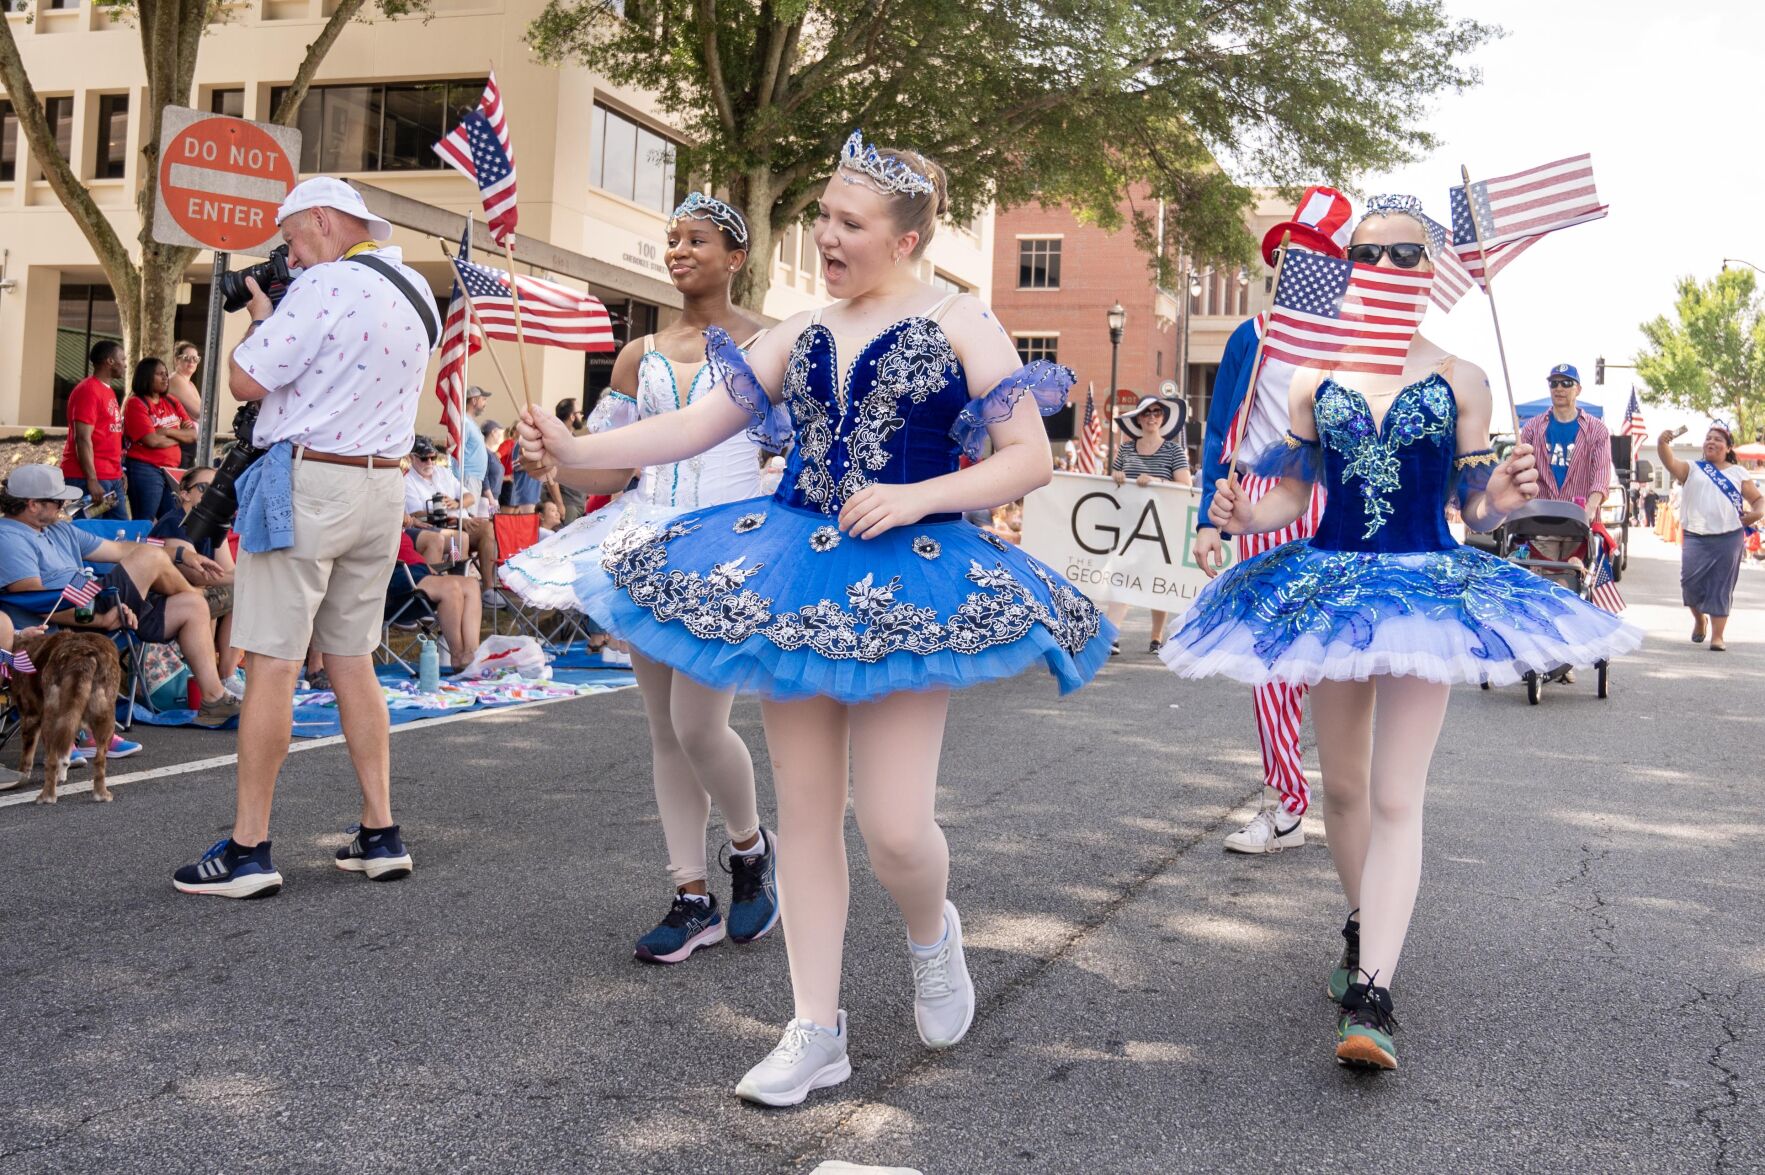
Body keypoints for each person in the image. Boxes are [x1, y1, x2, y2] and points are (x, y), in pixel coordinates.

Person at [518, 135, 1112, 1105]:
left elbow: (1026, 458)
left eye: (849, 222)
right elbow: (693, 424)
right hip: (795, 568)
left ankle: (931, 932)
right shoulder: (799, 329)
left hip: (913, 578)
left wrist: (924, 496)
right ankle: (814, 1028)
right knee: (804, 814)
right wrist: (581, 446)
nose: (827, 235)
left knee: (892, 828)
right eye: (824, 218)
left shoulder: (963, 318)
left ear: (908, 234)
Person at [1162, 195, 1641, 1072]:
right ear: (1348, 270)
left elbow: (1470, 507)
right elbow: (1286, 496)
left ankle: (1373, 994)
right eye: (1368, 256)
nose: (1383, 270)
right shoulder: (1314, 381)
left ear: (1429, 273)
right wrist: (1236, 510)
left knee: (1394, 796)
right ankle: (1360, 922)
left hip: (1425, 592)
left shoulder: (1462, 377)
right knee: (1341, 792)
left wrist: (1499, 492)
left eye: (1402, 257)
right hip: (1331, 588)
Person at [501, 191, 781, 967]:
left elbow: (790, 452)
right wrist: (554, 455)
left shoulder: (772, 344)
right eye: (672, 239)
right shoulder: (638, 353)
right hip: (642, 542)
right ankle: (691, 894)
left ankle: (751, 850)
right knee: (664, 731)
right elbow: (613, 467)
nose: (679, 251)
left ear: (735, 257)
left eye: (697, 239)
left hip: (729, 548)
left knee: (698, 725)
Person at [172, 176, 439, 899]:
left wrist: (262, 317)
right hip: (381, 486)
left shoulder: (324, 285)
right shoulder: (416, 291)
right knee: (353, 660)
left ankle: (250, 846)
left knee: (274, 664)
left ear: (320, 220)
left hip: (308, 480)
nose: (288, 255)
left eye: (291, 238)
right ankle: (380, 831)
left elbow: (242, 381)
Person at [1193, 185, 1353, 855]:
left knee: (1348, 654)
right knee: (1271, 657)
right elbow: (1218, 431)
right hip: (1264, 499)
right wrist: (1208, 515)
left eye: (1307, 250)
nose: (1290, 262)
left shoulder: (1358, 344)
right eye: (1286, 250)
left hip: (1338, 500)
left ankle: (1362, 802)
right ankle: (1287, 802)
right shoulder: (1250, 337)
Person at [0, 464, 241, 726]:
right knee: (150, 558)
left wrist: (182, 555)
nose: (63, 505)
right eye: (57, 500)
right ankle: (200, 595)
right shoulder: (9, 538)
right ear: (33, 504)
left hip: (104, 602)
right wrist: (98, 620)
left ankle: (214, 699)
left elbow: (120, 549)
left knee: (191, 605)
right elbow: (38, 601)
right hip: (78, 617)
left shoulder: (60, 530)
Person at [1656, 424, 1763, 651]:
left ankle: (1718, 636)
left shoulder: (1738, 473)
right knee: (1689, 585)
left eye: (1717, 439)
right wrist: (1662, 443)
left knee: (1721, 586)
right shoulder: (1692, 468)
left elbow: (1758, 500)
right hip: (1696, 536)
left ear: (1728, 447)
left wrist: (1757, 513)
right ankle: (1699, 619)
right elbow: (1670, 463)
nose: (1711, 442)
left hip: (1729, 536)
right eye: (1708, 438)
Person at [1105, 395, 1192, 655]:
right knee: (1123, 575)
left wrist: (1156, 480)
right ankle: (1111, 634)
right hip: (1129, 524)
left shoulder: (1173, 450)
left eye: (1157, 413)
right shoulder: (1126, 449)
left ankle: (1156, 637)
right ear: (1139, 419)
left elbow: (1186, 485)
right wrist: (1117, 477)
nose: (1152, 417)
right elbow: (1113, 481)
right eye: (1146, 413)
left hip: (1161, 525)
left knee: (1157, 580)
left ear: (1163, 418)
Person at [150, 467, 242, 694]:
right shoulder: (175, 522)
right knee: (241, 591)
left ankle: (226, 675)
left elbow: (227, 570)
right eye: (204, 488)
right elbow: (194, 574)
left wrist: (248, 579)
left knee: (244, 592)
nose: (211, 495)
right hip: (167, 600)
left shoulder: (213, 524)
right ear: (184, 493)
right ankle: (218, 678)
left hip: (196, 594)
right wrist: (244, 580)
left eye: (217, 489)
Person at [404, 435, 499, 605]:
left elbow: (470, 497)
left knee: (488, 528)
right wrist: (454, 519)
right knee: (459, 540)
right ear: (412, 458)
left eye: (433, 457)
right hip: (444, 529)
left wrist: (456, 503)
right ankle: (456, 586)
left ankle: (488, 589)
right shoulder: (408, 481)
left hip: (462, 524)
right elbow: (417, 516)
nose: (430, 462)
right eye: (424, 458)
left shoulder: (443, 472)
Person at [386, 532, 480, 672]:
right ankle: (457, 656)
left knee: (471, 585)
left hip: (418, 569)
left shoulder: (395, 524)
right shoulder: (371, 521)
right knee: (450, 588)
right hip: (395, 573)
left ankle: (471, 655)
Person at [60, 340, 129, 519]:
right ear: (110, 361)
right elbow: (82, 438)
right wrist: (91, 479)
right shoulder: (88, 390)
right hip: (91, 478)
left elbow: (109, 434)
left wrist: (118, 470)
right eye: (122, 358)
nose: (126, 364)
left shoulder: (108, 391)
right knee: (90, 535)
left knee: (118, 533)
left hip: (110, 477)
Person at [122, 357, 195, 521]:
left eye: (166, 374)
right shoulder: (136, 403)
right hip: (146, 469)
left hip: (171, 471)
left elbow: (192, 435)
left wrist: (167, 431)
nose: (165, 378)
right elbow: (152, 441)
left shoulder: (172, 401)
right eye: (159, 374)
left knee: (172, 520)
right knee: (145, 520)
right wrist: (180, 436)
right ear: (146, 377)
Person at [166, 341, 203, 467]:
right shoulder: (176, 380)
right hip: (181, 441)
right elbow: (200, 412)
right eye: (187, 358)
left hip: (191, 441)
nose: (192, 362)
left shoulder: (190, 384)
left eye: (195, 359)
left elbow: (204, 414)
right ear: (177, 360)